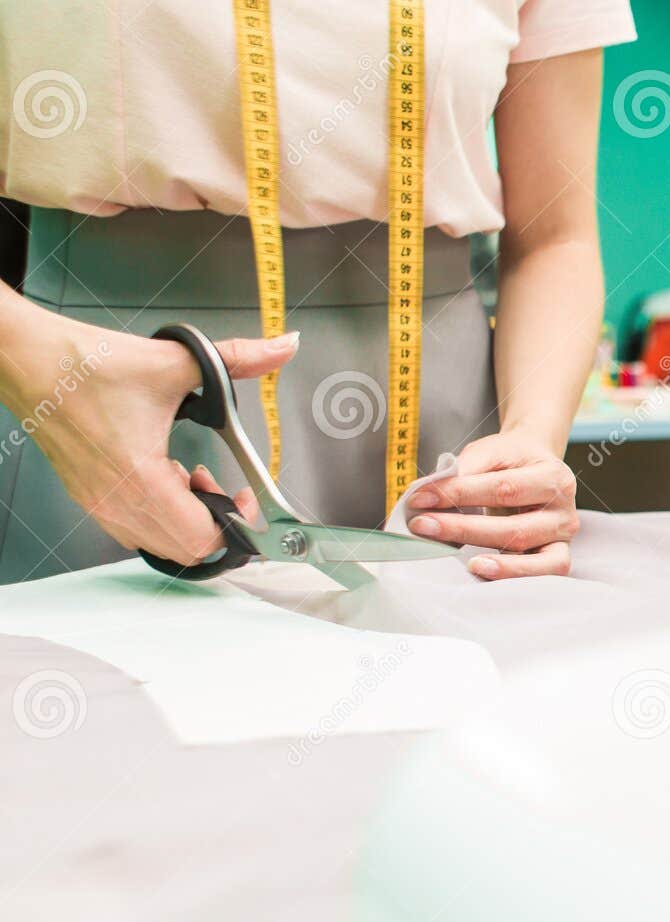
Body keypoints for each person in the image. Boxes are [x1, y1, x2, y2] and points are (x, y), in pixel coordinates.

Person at [0, 1, 635, 584]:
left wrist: (532, 436)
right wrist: (32, 360)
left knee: (450, 695)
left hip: (447, 424)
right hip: (98, 388)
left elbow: (556, 237)